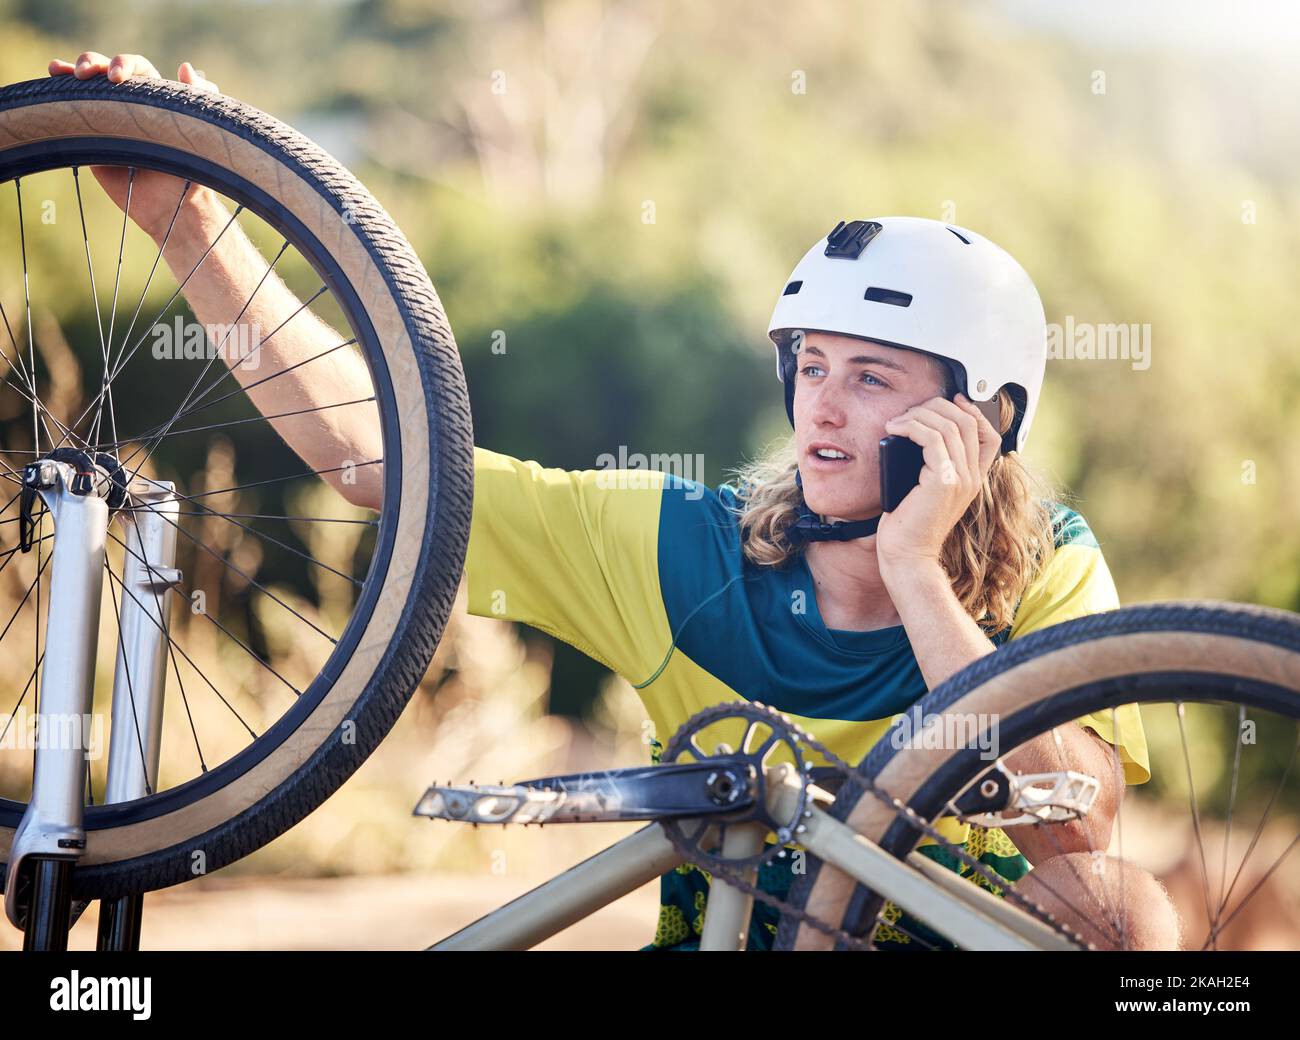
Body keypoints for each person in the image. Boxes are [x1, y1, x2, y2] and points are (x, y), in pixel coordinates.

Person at [44, 52, 1182, 951]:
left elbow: (1076, 837)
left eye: (872, 376)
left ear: (979, 420)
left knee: (1137, 913)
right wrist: (191, 229)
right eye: (812, 366)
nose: (823, 408)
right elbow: (381, 460)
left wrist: (917, 573)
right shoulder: (678, 546)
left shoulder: (1050, 562)